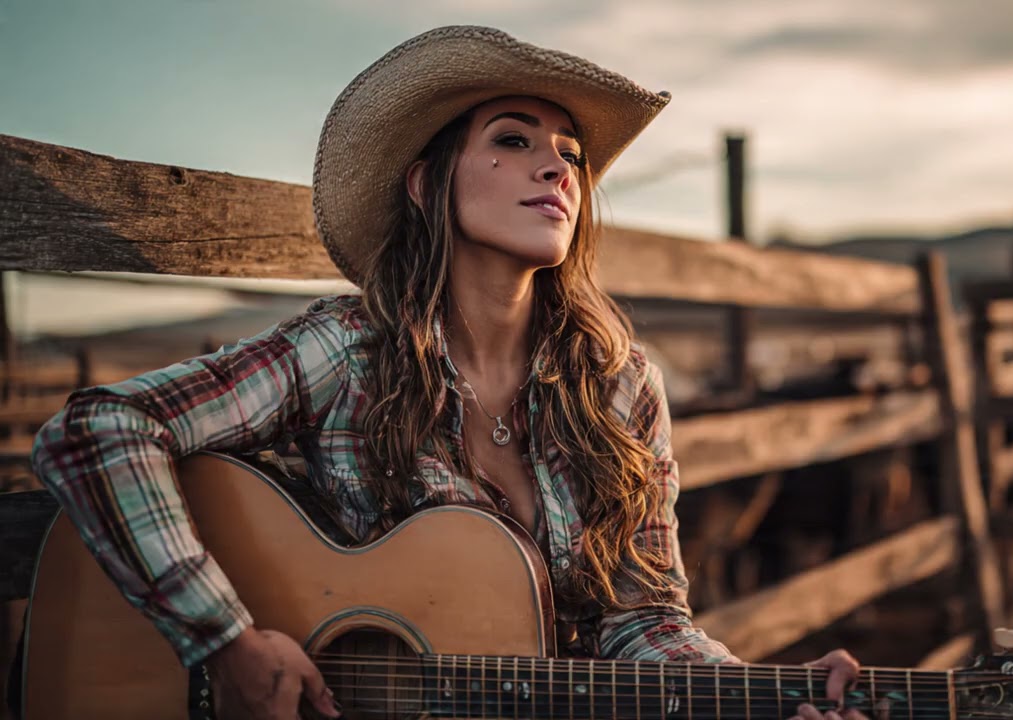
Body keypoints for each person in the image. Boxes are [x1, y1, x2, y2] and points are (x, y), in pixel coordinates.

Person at [31, 25, 864, 720]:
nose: (559, 170)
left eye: (570, 154)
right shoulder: (349, 351)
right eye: (514, 140)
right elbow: (97, 428)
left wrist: (755, 694)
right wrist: (225, 641)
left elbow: (644, 617)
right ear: (428, 185)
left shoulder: (621, 385)